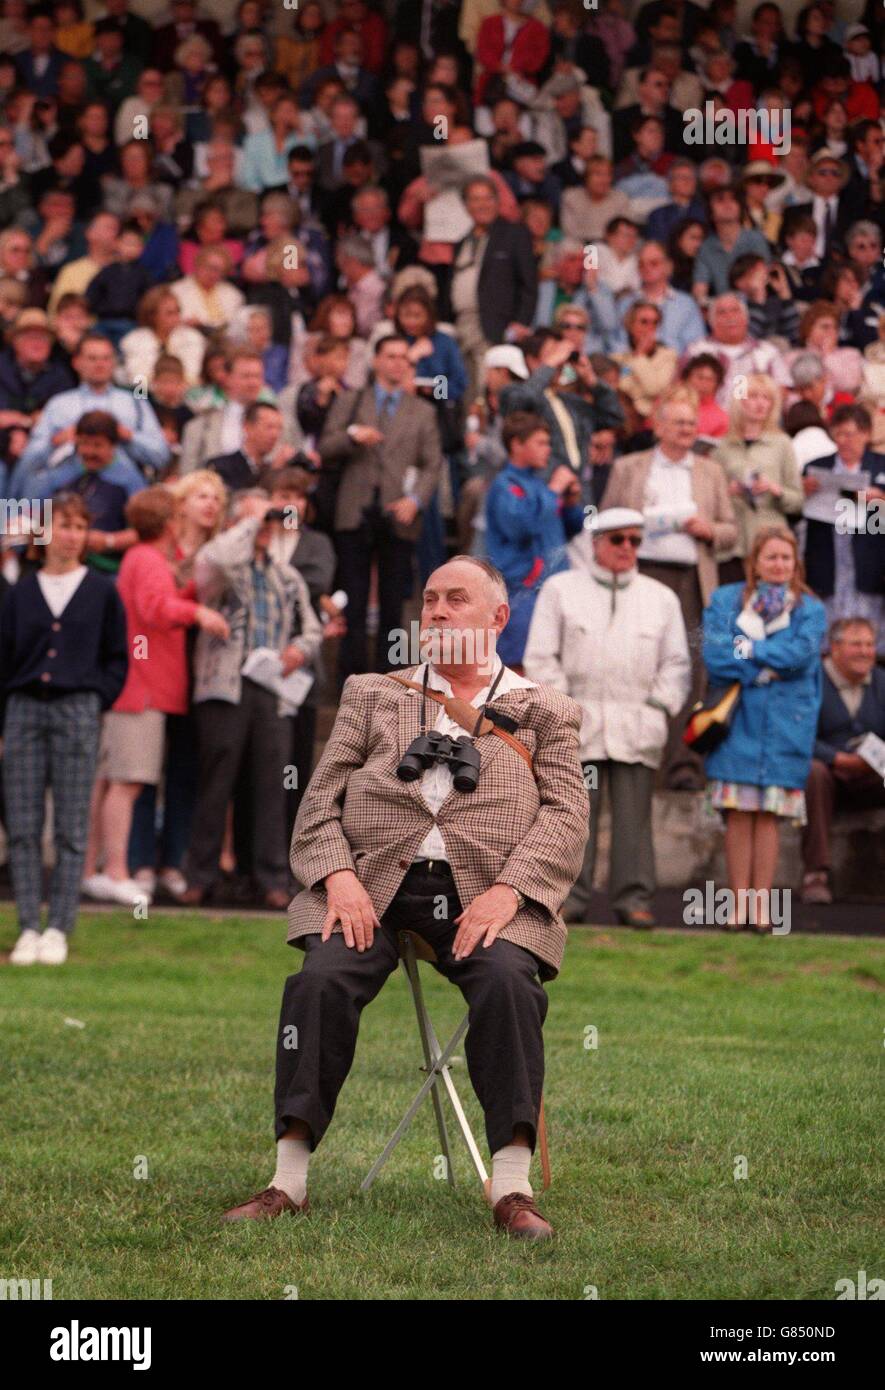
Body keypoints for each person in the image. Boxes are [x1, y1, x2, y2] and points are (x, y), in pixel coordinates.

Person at [220, 553, 588, 1239]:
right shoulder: (371, 693)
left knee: (509, 984)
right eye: (429, 601)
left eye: (455, 600)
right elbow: (319, 803)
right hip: (373, 889)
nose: (438, 613)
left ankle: (510, 1187)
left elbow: (566, 818)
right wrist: (339, 878)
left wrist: (510, 893)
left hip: (485, 895)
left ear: (498, 618)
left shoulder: (546, 711)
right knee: (318, 983)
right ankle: (287, 1180)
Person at [525, 506, 690, 927]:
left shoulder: (661, 597)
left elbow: (677, 666)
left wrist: (656, 707)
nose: (627, 548)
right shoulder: (561, 589)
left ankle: (634, 899)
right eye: (618, 539)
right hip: (575, 724)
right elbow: (541, 658)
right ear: (596, 542)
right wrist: (565, 709)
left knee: (634, 817)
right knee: (572, 814)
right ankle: (566, 899)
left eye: (635, 540)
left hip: (637, 724)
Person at [82, 486, 229, 906]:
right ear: (169, 523)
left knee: (111, 782)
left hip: (137, 688)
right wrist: (197, 611)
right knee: (126, 784)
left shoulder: (144, 558)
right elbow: (152, 608)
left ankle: (92, 869)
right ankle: (116, 872)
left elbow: (160, 600)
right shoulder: (146, 558)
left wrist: (190, 595)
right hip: (141, 689)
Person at [1, 492, 128, 966]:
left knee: (73, 825)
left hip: (77, 710)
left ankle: (60, 926)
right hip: (24, 710)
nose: (71, 536)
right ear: (44, 534)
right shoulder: (21, 592)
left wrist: (96, 698)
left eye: (79, 526)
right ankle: (29, 925)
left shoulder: (100, 590)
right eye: (63, 526)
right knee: (24, 825)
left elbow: (119, 655)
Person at [182, 489, 323, 908]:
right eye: (257, 523)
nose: (265, 529)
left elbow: (312, 629)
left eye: (268, 522)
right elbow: (215, 561)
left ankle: (272, 879)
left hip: (272, 688)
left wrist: (300, 650)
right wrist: (251, 517)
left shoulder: (286, 575)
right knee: (216, 782)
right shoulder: (223, 568)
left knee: (273, 784)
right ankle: (199, 875)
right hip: (225, 687)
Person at [601, 385, 737, 789]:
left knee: (692, 667)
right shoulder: (630, 467)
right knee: (637, 659)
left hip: (693, 579)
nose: (686, 430)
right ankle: (632, 756)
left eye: (691, 424)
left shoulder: (710, 470)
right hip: (640, 575)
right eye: (678, 422)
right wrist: (632, 525)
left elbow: (732, 531)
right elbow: (605, 521)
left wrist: (708, 529)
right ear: (658, 427)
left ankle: (683, 764)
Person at [701, 526, 827, 930]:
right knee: (738, 812)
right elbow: (717, 654)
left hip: (785, 723)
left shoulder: (810, 608)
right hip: (738, 720)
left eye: (785, 558)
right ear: (754, 562)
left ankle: (761, 909)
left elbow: (800, 657)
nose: (778, 565)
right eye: (770, 557)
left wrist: (751, 649)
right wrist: (765, 668)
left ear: (795, 563)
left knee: (769, 813)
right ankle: (736, 907)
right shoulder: (725, 600)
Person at [318, 334, 444, 686]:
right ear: (375, 361)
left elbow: (432, 464)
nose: (398, 362)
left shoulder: (422, 410)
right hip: (354, 509)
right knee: (353, 600)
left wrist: (415, 501)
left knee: (393, 602)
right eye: (390, 356)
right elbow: (326, 445)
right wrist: (352, 436)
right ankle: (351, 680)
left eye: (404, 357)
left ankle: (391, 681)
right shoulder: (350, 401)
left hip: (398, 514)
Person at [11, 333, 170, 499]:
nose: (100, 364)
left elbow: (161, 455)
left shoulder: (135, 402)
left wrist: (126, 435)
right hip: (67, 480)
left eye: (106, 358)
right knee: (36, 481)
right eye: (92, 358)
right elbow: (30, 459)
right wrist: (57, 441)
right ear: (76, 362)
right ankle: (12, 519)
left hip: (122, 480)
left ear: (114, 362)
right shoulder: (59, 404)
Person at [485, 410, 585, 668]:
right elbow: (520, 527)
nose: (548, 449)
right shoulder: (505, 485)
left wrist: (572, 504)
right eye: (540, 443)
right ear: (516, 444)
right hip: (522, 593)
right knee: (519, 667)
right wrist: (554, 491)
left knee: (555, 666)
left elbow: (571, 529)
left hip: (556, 589)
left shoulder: (540, 485)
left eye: (549, 443)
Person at [802, 617, 885, 904]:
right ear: (834, 648)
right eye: (856, 644)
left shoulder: (882, 682)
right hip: (829, 773)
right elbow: (796, 734)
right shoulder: (810, 681)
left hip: (874, 775)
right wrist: (836, 758)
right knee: (813, 772)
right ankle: (815, 875)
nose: (864, 652)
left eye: (870, 645)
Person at [801, 404, 885, 653]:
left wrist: (879, 500)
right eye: (838, 434)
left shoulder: (881, 466)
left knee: (870, 637)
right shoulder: (817, 467)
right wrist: (803, 492)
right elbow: (796, 511)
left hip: (870, 560)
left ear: (866, 434)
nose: (844, 441)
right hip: (829, 557)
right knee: (829, 637)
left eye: (850, 434)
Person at [450, 176, 538, 397]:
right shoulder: (462, 241)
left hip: (495, 325)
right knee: (465, 389)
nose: (482, 204)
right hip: (462, 325)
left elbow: (529, 282)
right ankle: (467, 429)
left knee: (488, 388)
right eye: (475, 199)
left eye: (487, 198)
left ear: (498, 201)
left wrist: (522, 321)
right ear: (466, 205)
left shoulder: (514, 234)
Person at [712, 376, 803, 584]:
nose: (761, 403)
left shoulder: (782, 444)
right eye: (753, 396)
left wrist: (774, 489)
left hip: (771, 543)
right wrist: (729, 492)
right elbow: (712, 499)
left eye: (767, 398)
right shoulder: (722, 448)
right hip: (733, 544)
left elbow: (798, 501)